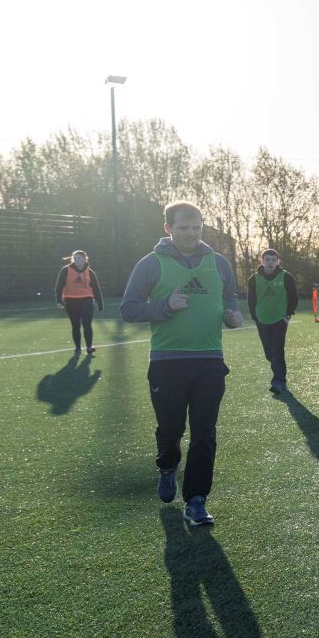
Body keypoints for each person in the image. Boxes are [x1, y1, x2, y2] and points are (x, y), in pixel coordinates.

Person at [120, 201, 243, 526]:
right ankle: (167, 466)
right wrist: (165, 306)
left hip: (210, 361)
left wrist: (232, 316)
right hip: (167, 363)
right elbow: (129, 309)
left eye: (196, 228)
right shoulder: (150, 264)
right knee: (171, 429)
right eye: (184, 228)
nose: (191, 233)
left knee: (204, 432)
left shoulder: (219, 263)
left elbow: (229, 298)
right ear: (168, 228)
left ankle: (196, 500)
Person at [246, 248, 299, 394]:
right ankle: (279, 372)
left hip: (280, 319)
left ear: (278, 262)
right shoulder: (253, 279)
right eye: (267, 260)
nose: (270, 262)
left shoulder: (286, 277)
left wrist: (288, 315)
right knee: (269, 353)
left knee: (277, 349)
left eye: (273, 260)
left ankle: (279, 381)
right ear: (262, 261)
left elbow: (293, 297)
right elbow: (251, 300)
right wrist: (255, 317)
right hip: (262, 319)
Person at [54, 250, 104, 355]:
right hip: (70, 300)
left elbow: (96, 288)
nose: (77, 260)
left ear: (85, 259)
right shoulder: (65, 270)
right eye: (75, 258)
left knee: (87, 324)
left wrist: (100, 303)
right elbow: (59, 286)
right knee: (75, 325)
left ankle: (89, 347)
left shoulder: (90, 272)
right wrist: (59, 300)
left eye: (79, 258)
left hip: (87, 300)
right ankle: (78, 348)